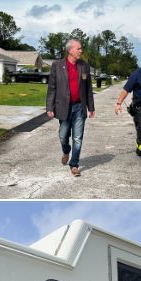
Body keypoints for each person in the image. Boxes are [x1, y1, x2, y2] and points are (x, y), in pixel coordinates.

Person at [45, 39, 96, 177]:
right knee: (63, 136)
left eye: (80, 48)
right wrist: (49, 107)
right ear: (70, 50)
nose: (81, 51)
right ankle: (66, 150)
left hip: (79, 107)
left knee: (77, 138)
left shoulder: (84, 66)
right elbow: (52, 88)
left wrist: (91, 107)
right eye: (78, 48)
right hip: (63, 107)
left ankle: (74, 165)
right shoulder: (57, 65)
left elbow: (88, 88)